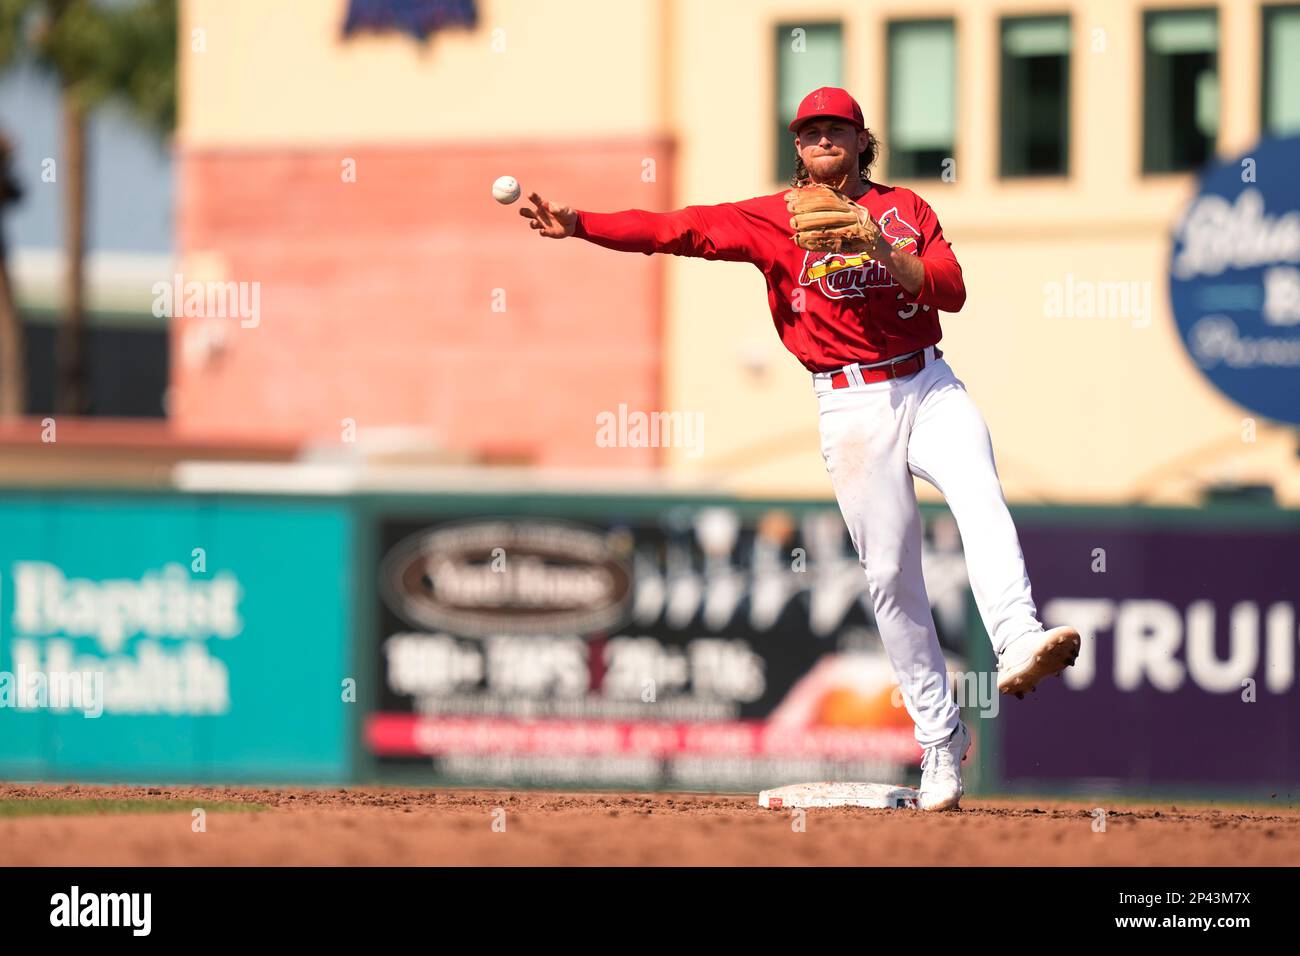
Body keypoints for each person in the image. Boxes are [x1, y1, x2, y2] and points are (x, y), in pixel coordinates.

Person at [520, 86, 1080, 811]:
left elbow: (952, 291)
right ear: (797, 146)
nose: (822, 140)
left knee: (978, 492)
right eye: (809, 131)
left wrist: (878, 244)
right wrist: (581, 223)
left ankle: (1017, 640)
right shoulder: (773, 219)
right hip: (848, 403)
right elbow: (676, 228)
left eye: (835, 130)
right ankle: (940, 740)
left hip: (927, 382)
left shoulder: (905, 210)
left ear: (859, 140)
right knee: (889, 575)